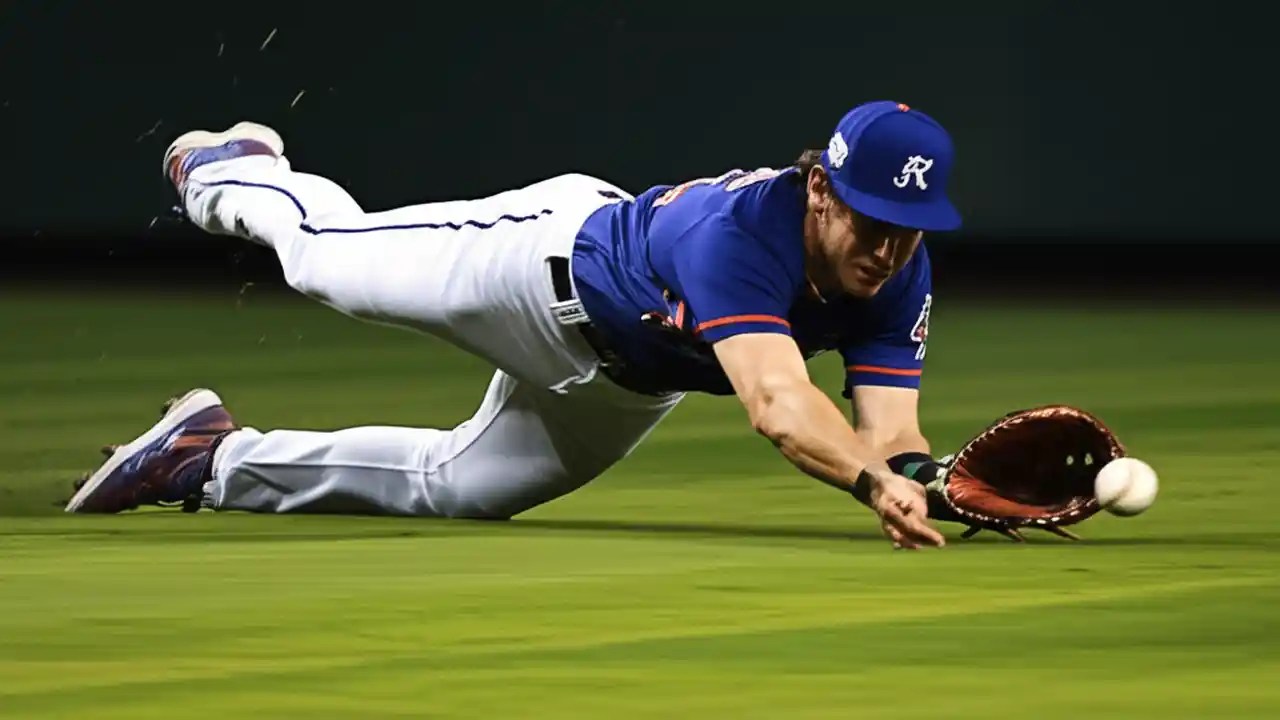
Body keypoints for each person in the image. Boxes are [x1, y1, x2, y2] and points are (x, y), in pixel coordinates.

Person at [67, 100, 961, 551]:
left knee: (459, 488)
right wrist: (872, 486)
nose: (887, 248)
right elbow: (776, 400)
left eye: (905, 228)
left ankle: (205, 460)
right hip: (536, 270)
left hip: (627, 381)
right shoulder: (737, 233)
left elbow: (888, 434)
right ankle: (233, 171)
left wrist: (935, 480)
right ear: (818, 189)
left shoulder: (898, 273)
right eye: (869, 220)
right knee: (322, 260)